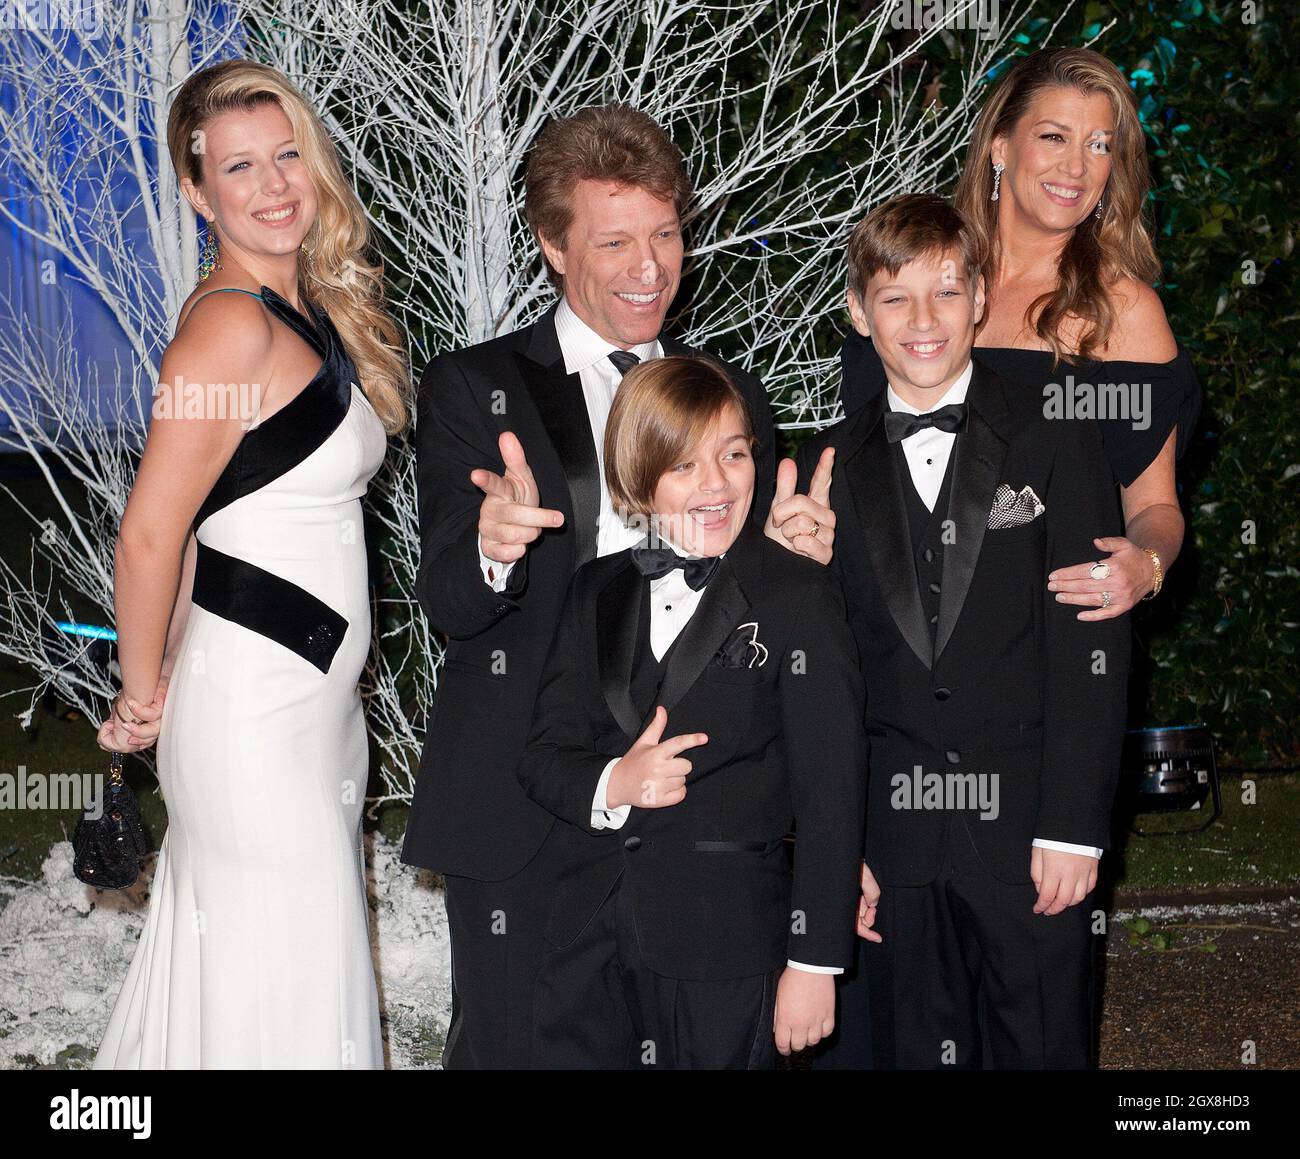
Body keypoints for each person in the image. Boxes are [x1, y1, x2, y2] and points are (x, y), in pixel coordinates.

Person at [400, 103, 831, 1069]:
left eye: (667, 233)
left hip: (695, 823)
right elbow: (450, 607)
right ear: (554, 245)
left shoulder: (725, 394)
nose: (651, 265)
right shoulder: (478, 389)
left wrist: (795, 547)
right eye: (616, 240)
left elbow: (766, 617)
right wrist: (492, 547)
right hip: (528, 801)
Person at [93, 59, 407, 1068]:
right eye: (239, 168)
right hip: (253, 721)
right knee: (286, 988)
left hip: (309, 711)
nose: (274, 187)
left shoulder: (298, 307)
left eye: (287, 157)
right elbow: (150, 533)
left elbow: (209, 525)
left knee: (278, 979)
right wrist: (143, 693)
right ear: (197, 191)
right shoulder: (227, 328)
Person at [801, 193, 1131, 1069]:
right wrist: (842, 848)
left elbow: (1091, 645)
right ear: (856, 307)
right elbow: (828, 681)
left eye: (946, 293)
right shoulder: (826, 467)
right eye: (895, 297)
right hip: (896, 845)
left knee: (1045, 1047)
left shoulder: (1056, 429)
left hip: (1029, 829)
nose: (923, 321)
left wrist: (1073, 824)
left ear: (981, 297)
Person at [517, 355, 866, 1068]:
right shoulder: (593, 592)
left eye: (734, 454)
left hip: (726, 948)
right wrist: (615, 782)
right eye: (685, 466)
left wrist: (816, 962)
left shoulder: (796, 594)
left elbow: (833, 789)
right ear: (636, 482)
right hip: (584, 946)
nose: (717, 483)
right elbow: (542, 754)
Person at [840, 47, 1200, 619]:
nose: (1076, 168)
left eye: (1099, 144)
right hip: (896, 630)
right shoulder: (917, 282)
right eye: (1055, 137)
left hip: (1052, 625)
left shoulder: (1124, 311)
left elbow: (1154, 504)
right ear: (1000, 146)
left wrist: (1147, 565)